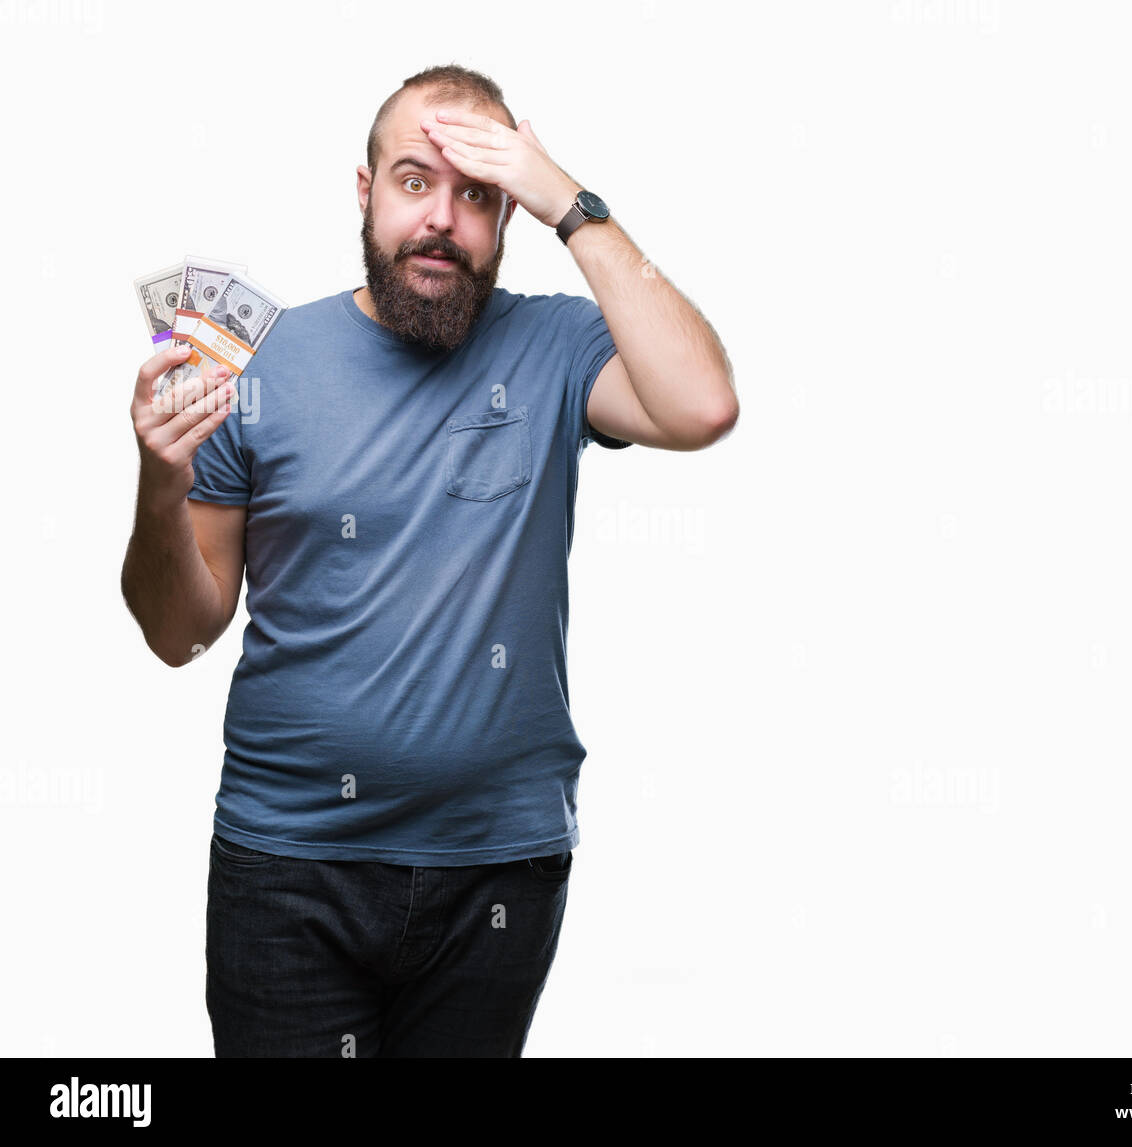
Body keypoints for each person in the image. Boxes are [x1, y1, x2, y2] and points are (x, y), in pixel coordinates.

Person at [121, 63, 738, 1058]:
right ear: (364, 194)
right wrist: (158, 483)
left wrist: (570, 203)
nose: (441, 218)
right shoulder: (261, 365)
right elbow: (176, 631)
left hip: (499, 868)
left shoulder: (557, 344)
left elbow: (702, 404)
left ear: (509, 212)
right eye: (415, 181)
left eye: (479, 194)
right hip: (290, 869)